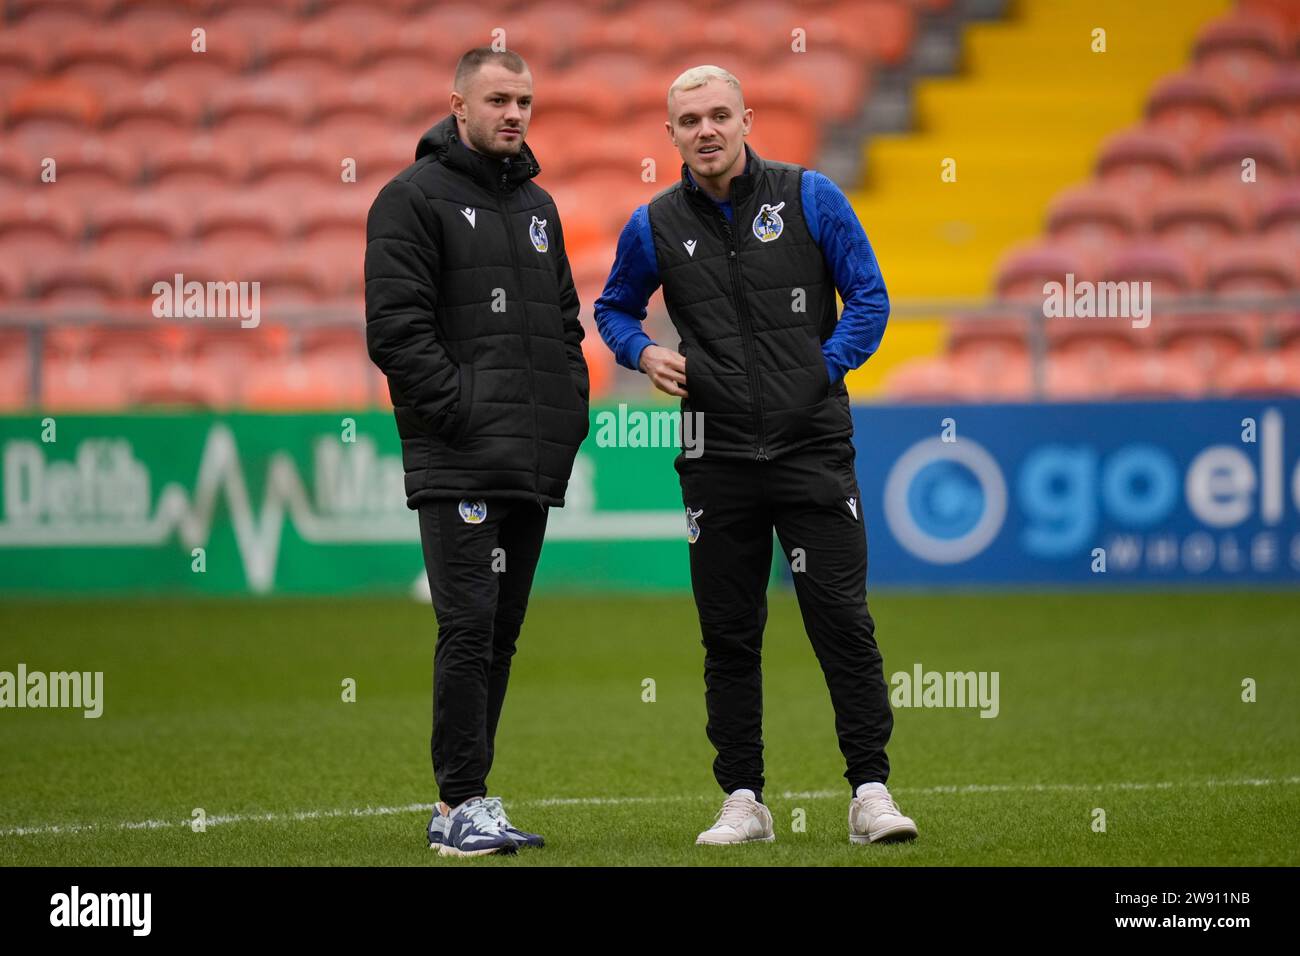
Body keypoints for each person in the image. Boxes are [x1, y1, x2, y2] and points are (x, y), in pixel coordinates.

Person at [594, 65, 917, 847]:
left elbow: (870, 298)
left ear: (746, 120)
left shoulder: (811, 198)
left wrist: (821, 370)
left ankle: (870, 791)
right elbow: (611, 307)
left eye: (718, 116)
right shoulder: (653, 225)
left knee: (841, 620)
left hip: (812, 448)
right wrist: (640, 352)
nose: (705, 130)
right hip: (715, 455)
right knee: (729, 633)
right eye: (689, 120)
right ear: (669, 135)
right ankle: (744, 798)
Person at [365, 47, 589, 857]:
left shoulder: (539, 206)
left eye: (525, 100)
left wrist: (567, 411)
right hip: (458, 459)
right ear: (457, 105)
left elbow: (566, 326)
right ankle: (459, 803)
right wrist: (462, 412)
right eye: (498, 99)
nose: (515, 113)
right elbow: (395, 332)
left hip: (528, 460)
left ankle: (467, 800)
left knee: (499, 633)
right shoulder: (409, 199)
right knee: (468, 628)